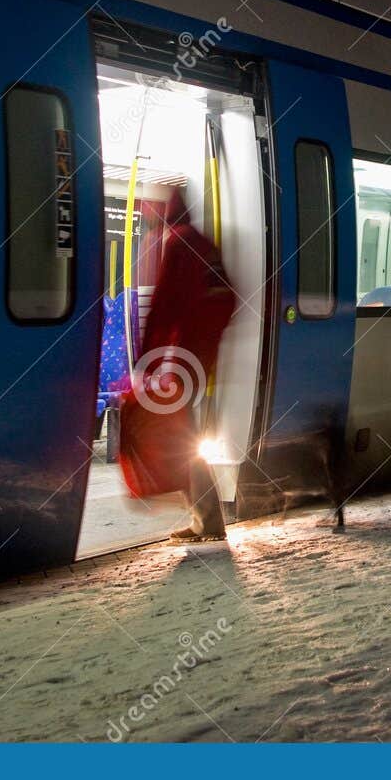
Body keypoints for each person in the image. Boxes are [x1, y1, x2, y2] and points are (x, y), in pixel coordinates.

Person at [128, 187, 237, 541]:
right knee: (183, 432)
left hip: (183, 356)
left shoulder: (178, 243)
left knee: (179, 436)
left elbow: (164, 304)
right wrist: (207, 341)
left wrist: (147, 359)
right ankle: (205, 518)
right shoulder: (203, 245)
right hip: (199, 355)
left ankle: (207, 520)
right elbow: (227, 298)